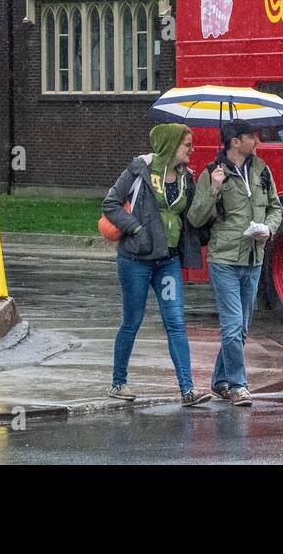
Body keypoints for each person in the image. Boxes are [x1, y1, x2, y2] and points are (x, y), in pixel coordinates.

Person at [102, 123, 212, 408]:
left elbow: (195, 218)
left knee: (175, 323)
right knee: (132, 321)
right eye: (187, 144)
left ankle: (187, 390)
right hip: (136, 260)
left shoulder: (188, 178)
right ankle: (118, 382)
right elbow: (111, 203)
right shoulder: (139, 170)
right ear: (170, 145)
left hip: (168, 262)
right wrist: (136, 228)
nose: (192, 149)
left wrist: (212, 193)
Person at [188, 119, 282, 407]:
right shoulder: (212, 173)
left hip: (254, 258)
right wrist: (214, 189)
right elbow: (196, 217)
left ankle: (219, 381)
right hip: (225, 259)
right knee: (231, 326)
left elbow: (276, 207)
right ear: (234, 142)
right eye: (250, 137)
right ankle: (239, 385)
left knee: (241, 328)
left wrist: (269, 228)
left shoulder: (261, 170)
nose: (257, 142)